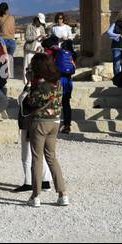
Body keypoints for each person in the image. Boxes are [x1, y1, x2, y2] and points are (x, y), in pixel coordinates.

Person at [21, 52, 70, 207]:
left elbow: (30, 102)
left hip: (40, 122)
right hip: (55, 121)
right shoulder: (58, 82)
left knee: (37, 158)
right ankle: (63, 194)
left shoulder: (40, 84)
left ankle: (35, 196)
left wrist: (29, 83)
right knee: (52, 157)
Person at [13, 55, 51, 194]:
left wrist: (28, 85)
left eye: (28, 69)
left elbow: (23, 103)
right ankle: (45, 180)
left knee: (27, 155)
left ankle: (28, 182)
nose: (26, 72)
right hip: (44, 123)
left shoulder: (34, 86)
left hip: (30, 124)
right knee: (40, 153)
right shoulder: (47, 83)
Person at [55, 38, 77, 134]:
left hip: (60, 80)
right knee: (66, 103)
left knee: (56, 103)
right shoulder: (72, 54)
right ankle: (67, 126)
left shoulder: (58, 53)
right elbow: (74, 67)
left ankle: (54, 126)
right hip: (68, 81)